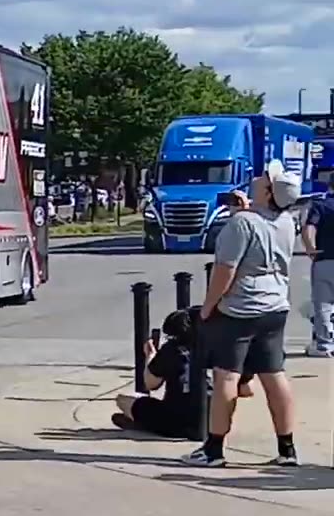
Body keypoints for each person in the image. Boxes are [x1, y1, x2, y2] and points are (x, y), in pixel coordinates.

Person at [190, 161, 305, 467]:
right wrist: (245, 211)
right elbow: (262, 229)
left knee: (226, 374)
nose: (257, 177)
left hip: (240, 308)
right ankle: (287, 448)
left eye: (264, 178)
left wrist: (208, 307)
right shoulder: (284, 221)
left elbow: (225, 271)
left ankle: (213, 449)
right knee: (273, 374)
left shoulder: (241, 224)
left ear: (268, 192)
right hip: (275, 305)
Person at [114, 309, 204, 438]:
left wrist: (150, 355)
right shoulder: (211, 348)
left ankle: (142, 423)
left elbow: (151, 384)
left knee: (123, 400)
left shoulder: (171, 350)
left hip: (177, 421)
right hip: (210, 421)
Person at [302, 188, 334, 356]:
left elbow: (309, 227)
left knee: (323, 304)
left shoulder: (320, 205)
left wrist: (310, 248)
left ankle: (324, 346)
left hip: (325, 259)